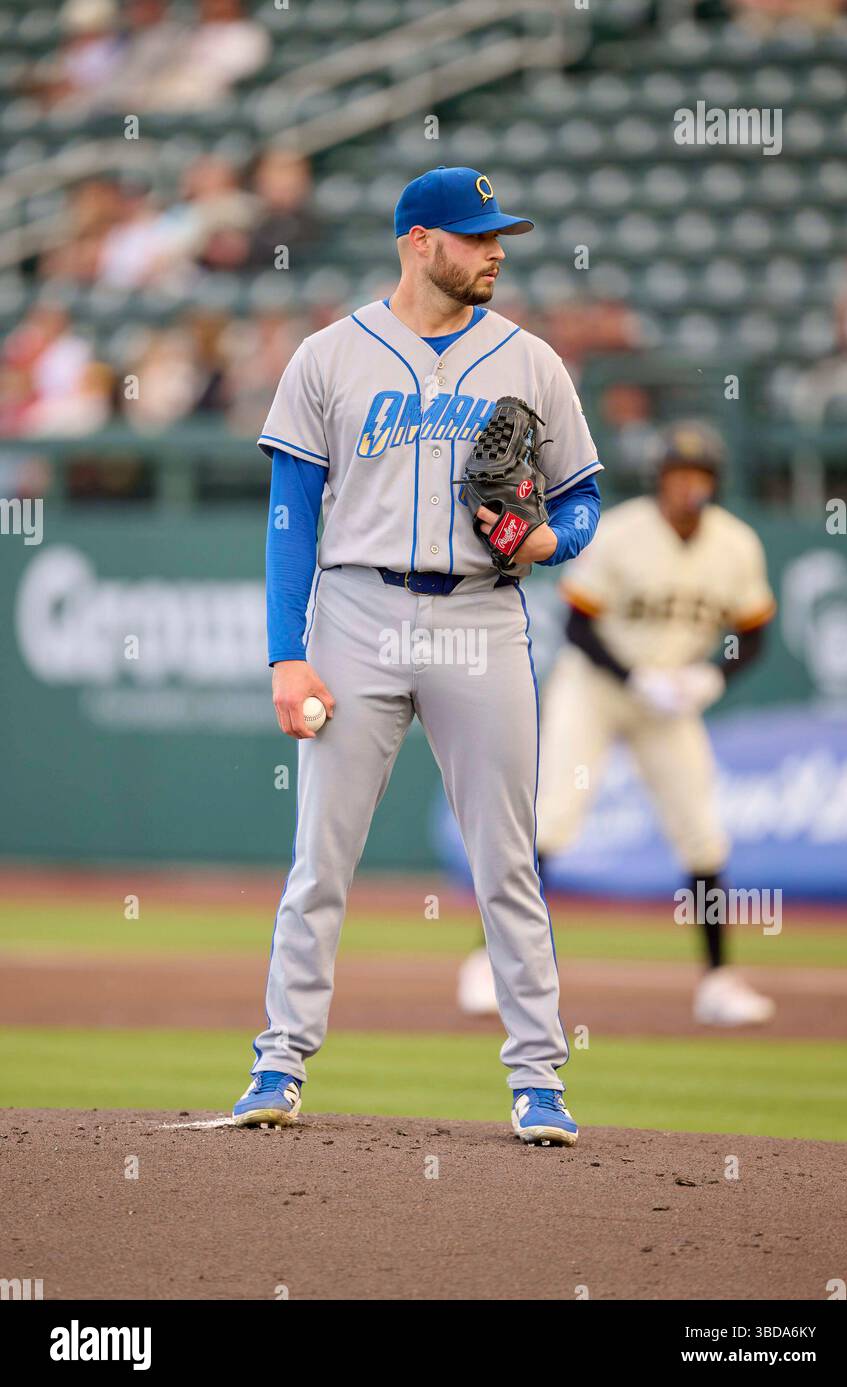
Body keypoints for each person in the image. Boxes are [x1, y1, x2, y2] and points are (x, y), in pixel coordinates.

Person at [232, 166, 604, 1146]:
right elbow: (288, 517)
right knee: (320, 854)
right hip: (355, 610)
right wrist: (285, 653)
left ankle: (538, 1080)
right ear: (416, 242)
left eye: (499, 236)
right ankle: (278, 1059)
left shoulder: (530, 362)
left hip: (481, 615)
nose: (494, 251)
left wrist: (546, 542)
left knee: (505, 861)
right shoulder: (327, 356)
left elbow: (581, 498)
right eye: (475, 235)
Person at [479, 422, 775, 1028]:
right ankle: (490, 960)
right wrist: (635, 676)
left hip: (670, 697)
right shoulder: (621, 532)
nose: (687, 486)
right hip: (597, 688)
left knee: (702, 832)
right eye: (677, 475)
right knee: (556, 816)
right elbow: (579, 624)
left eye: (698, 476)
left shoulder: (736, 544)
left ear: (712, 484)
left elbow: (754, 632)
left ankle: (717, 981)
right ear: (660, 480)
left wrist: (712, 677)